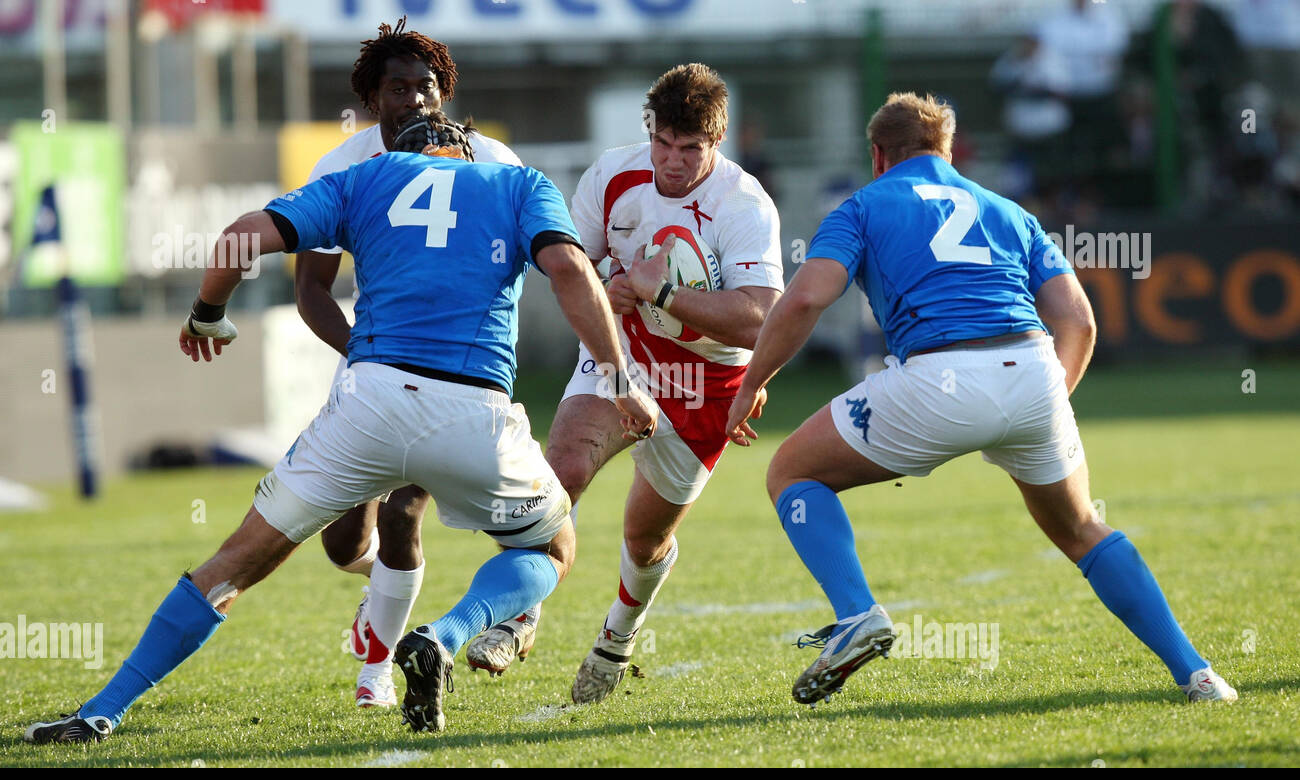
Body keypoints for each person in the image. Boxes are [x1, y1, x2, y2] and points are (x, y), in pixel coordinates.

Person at [24, 112, 657, 743]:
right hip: (473, 410)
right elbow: (572, 273)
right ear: (464, 152)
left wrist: (207, 311)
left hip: (368, 402)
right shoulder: (515, 184)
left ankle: (103, 710)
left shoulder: (364, 177)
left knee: (235, 563)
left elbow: (243, 234)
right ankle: (444, 635)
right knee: (550, 548)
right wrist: (621, 380)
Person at [724, 92, 1237, 707]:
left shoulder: (863, 205)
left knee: (791, 471)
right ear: (948, 151)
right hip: (1034, 370)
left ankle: (857, 614)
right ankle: (1199, 675)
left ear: (877, 155)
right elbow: (1079, 321)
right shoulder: (1007, 210)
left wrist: (752, 381)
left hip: (939, 376)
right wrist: (1042, 407)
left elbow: (806, 299)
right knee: (1081, 527)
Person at [463, 63, 783, 704]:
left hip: (705, 384)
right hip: (624, 356)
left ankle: (618, 637)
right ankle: (518, 618)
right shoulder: (612, 173)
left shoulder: (743, 203)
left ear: (715, 143)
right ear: (651, 130)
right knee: (561, 473)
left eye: (690, 149)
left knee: (646, 536)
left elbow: (760, 317)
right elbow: (570, 266)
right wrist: (607, 288)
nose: (672, 160)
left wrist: (662, 291)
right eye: (664, 142)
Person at [293, 17, 526, 709]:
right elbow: (310, 290)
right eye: (398, 88)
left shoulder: (491, 160)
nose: (416, 101)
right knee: (342, 543)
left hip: (459, 372)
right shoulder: (343, 167)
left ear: (444, 90)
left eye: (426, 87)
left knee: (403, 517)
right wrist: (364, 354)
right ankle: (383, 596)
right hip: (373, 368)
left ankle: (377, 674)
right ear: (372, 98)